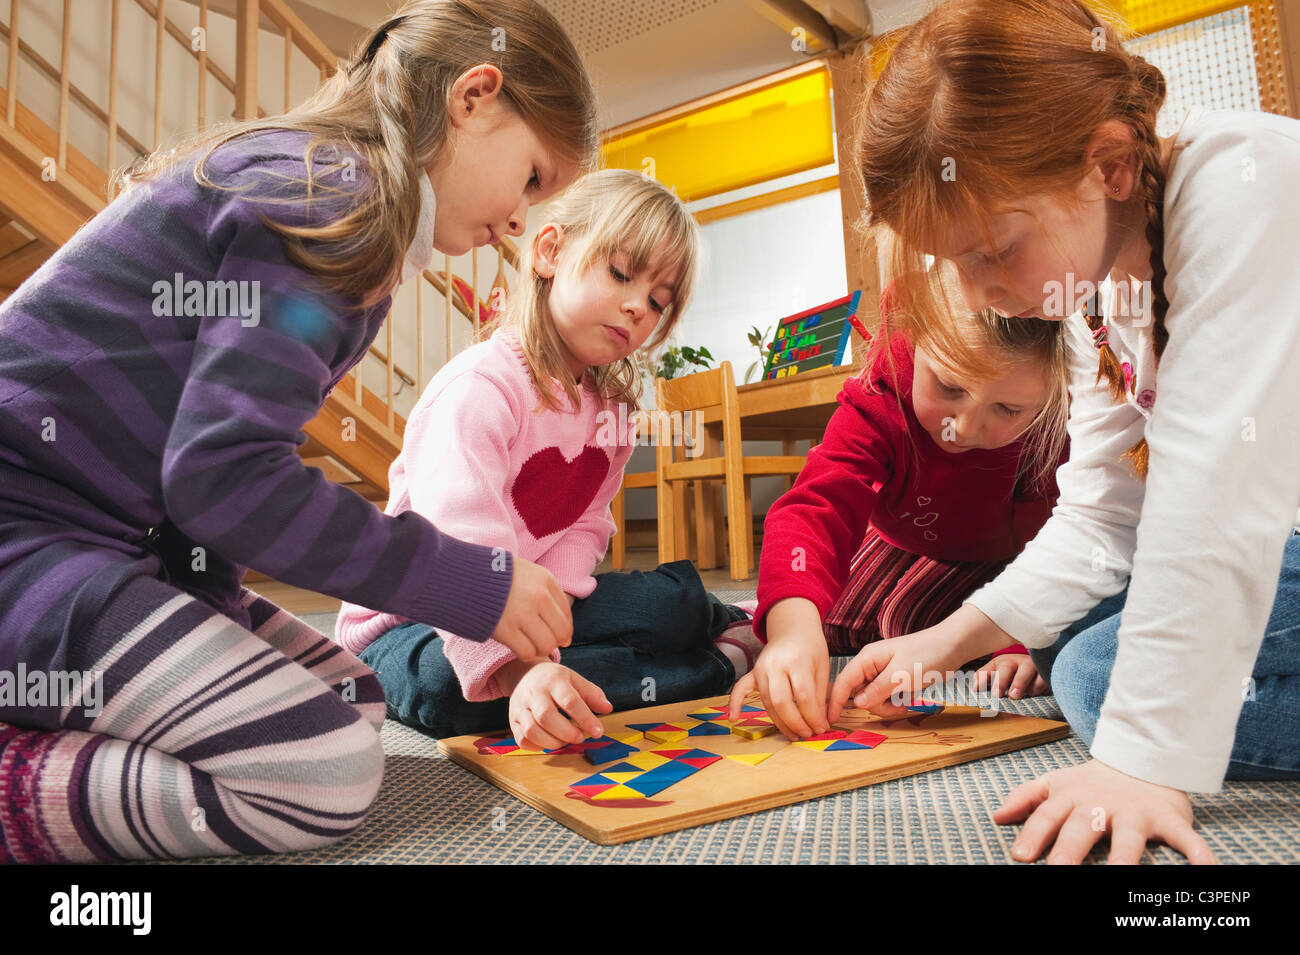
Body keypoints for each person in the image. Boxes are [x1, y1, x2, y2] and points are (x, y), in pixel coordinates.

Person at [0, 0, 597, 862]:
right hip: (27, 545)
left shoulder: (331, 194)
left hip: (88, 538)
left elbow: (191, 477)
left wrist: (200, 605)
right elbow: (227, 478)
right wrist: (469, 582)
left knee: (355, 697)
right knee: (322, 773)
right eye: (534, 178)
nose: (518, 221)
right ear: (475, 96)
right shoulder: (330, 198)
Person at [831, 0, 1300, 864]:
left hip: (1269, 525)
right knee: (1088, 672)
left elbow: (1215, 503)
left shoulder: (1249, 181)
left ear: (1112, 165)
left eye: (995, 249)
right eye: (953, 262)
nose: (972, 293)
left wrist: (1144, 761)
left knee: (1114, 687)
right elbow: (1100, 519)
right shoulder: (1094, 299)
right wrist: (941, 643)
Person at [340, 169, 758, 747]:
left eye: (657, 301)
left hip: (526, 603)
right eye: (620, 274)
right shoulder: (481, 387)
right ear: (550, 251)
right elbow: (455, 541)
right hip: (410, 618)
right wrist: (521, 668)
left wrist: (550, 611)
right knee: (450, 691)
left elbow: (586, 523)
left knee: (666, 606)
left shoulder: (609, 411)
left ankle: (725, 621)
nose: (638, 307)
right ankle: (717, 668)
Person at [734, 268, 1066, 737]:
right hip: (899, 540)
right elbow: (814, 509)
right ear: (913, 335)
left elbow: (1064, 546)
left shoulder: (1055, 427)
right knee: (812, 608)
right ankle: (749, 623)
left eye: (1007, 410)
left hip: (1005, 562)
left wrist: (1024, 643)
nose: (966, 429)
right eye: (949, 387)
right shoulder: (880, 394)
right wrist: (790, 630)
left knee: (905, 623)